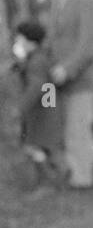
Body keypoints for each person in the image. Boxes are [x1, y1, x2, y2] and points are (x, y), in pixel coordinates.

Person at [47, 0, 93, 190]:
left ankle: (82, 180)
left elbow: (87, 45)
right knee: (68, 126)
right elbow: (54, 37)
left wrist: (67, 68)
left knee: (77, 129)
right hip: (60, 77)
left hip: (81, 77)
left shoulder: (86, 0)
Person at [10, 19, 63, 184]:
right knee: (39, 146)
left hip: (42, 111)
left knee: (34, 146)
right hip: (46, 109)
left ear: (29, 40)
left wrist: (20, 108)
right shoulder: (40, 57)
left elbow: (36, 87)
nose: (17, 42)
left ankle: (50, 178)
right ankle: (51, 176)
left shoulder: (37, 61)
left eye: (19, 38)